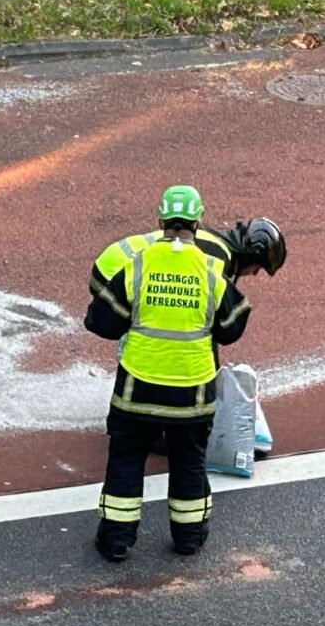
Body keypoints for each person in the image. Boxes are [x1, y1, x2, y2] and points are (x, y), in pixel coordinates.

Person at [83, 185, 254, 561]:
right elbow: (233, 326)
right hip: (191, 396)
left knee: (126, 461)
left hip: (135, 392)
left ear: (160, 220)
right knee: (188, 464)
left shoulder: (139, 264)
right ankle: (189, 539)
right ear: (198, 222)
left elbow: (101, 322)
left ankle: (116, 541)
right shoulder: (209, 270)